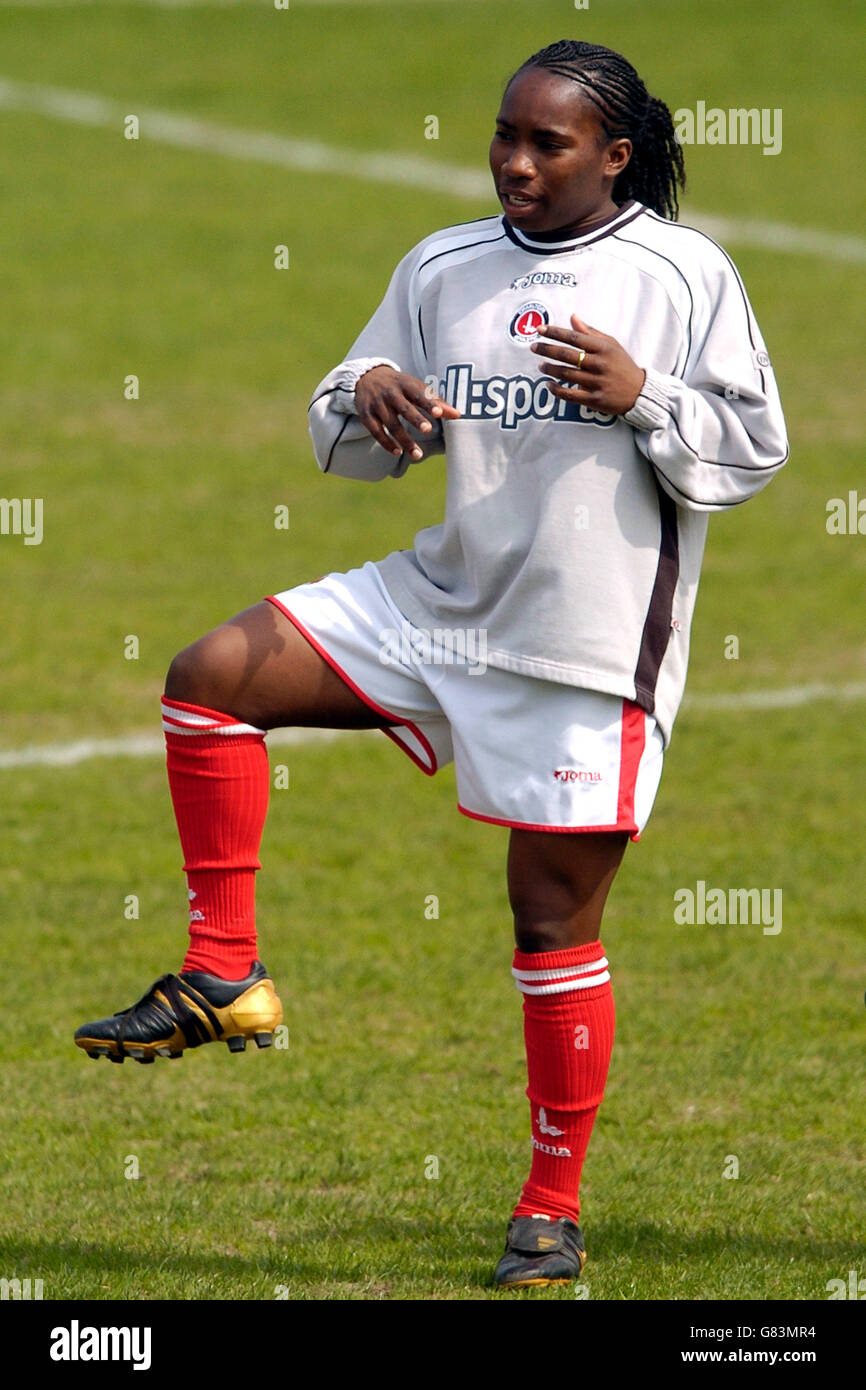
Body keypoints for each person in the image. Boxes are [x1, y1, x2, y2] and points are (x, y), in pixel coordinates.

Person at [75, 39, 788, 1289]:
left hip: (582, 651)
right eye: (502, 136)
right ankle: (222, 968)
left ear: (613, 157)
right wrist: (374, 397)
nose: (513, 161)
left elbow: (753, 445)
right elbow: (334, 407)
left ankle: (548, 1212)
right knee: (211, 674)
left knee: (549, 920)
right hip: (436, 602)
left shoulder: (681, 276)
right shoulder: (444, 264)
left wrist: (641, 398)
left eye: (544, 143)